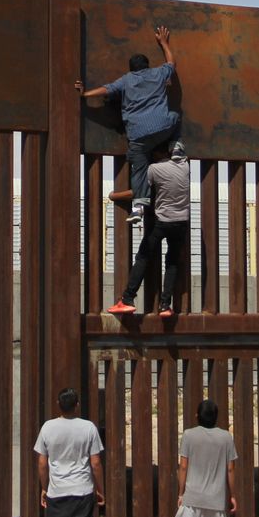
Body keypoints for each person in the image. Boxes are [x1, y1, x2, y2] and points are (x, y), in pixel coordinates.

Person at [75, 24, 179, 225]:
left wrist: (85, 94)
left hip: (138, 136)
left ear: (131, 69)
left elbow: (106, 89)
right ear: (147, 66)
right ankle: (176, 148)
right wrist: (164, 43)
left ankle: (138, 207)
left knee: (139, 169)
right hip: (163, 129)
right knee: (175, 116)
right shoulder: (158, 74)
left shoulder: (126, 80)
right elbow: (171, 63)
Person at [34, 388, 106, 517]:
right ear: (77, 405)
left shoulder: (48, 427)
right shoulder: (88, 428)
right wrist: (100, 488)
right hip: (81, 490)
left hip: (57, 492)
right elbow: (95, 463)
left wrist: (44, 487)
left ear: (58, 404)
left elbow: (42, 462)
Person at [106, 140, 190, 317]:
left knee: (143, 257)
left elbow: (138, 192)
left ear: (160, 153)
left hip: (162, 222)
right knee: (172, 263)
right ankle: (165, 306)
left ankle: (127, 299)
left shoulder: (154, 169)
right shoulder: (185, 166)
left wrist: (114, 196)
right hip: (181, 222)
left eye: (154, 153)